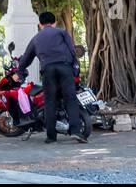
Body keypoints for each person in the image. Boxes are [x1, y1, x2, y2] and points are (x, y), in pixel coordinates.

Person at [15, 11, 88, 142]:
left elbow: (26, 58)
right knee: (70, 99)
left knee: (50, 102)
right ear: (54, 23)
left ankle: (51, 136)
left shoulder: (36, 38)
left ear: (40, 24)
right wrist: (76, 68)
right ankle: (76, 131)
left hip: (48, 70)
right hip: (65, 68)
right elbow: (72, 51)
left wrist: (20, 71)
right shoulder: (62, 32)